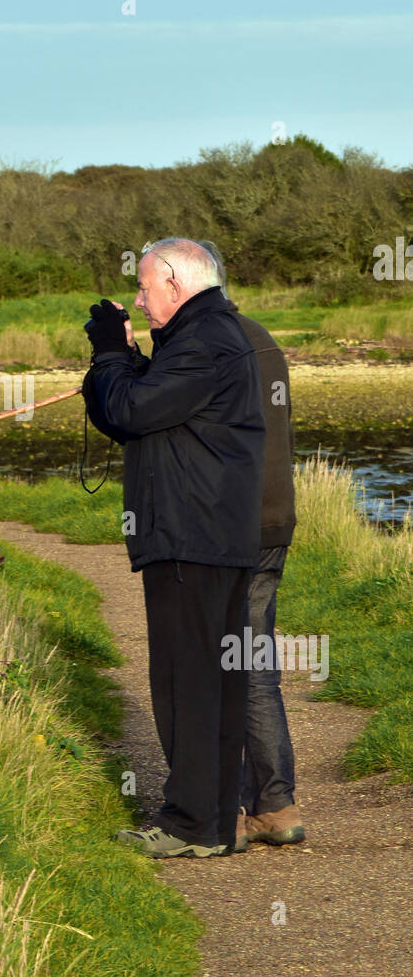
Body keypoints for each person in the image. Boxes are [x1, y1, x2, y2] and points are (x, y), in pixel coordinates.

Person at [82, 239, 265, 858]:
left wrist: (108, 352)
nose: (138, 299)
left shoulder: (203, 341)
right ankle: (213, 824)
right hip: (212, 533)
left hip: (193, 535)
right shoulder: (210, 334)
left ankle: (192, 823)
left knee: (189, 681)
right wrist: (126, 354)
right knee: (215, 680)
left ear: (173, 282)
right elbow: (145, 406)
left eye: (142, 288)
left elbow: (130, 409)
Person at [195, 242, 305, 850]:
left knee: (215, 666)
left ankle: (226, 810)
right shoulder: (262, 337)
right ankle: (276, 805)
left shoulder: (201, 345)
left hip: (225, 528)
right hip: (271, 520)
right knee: (254, 662)